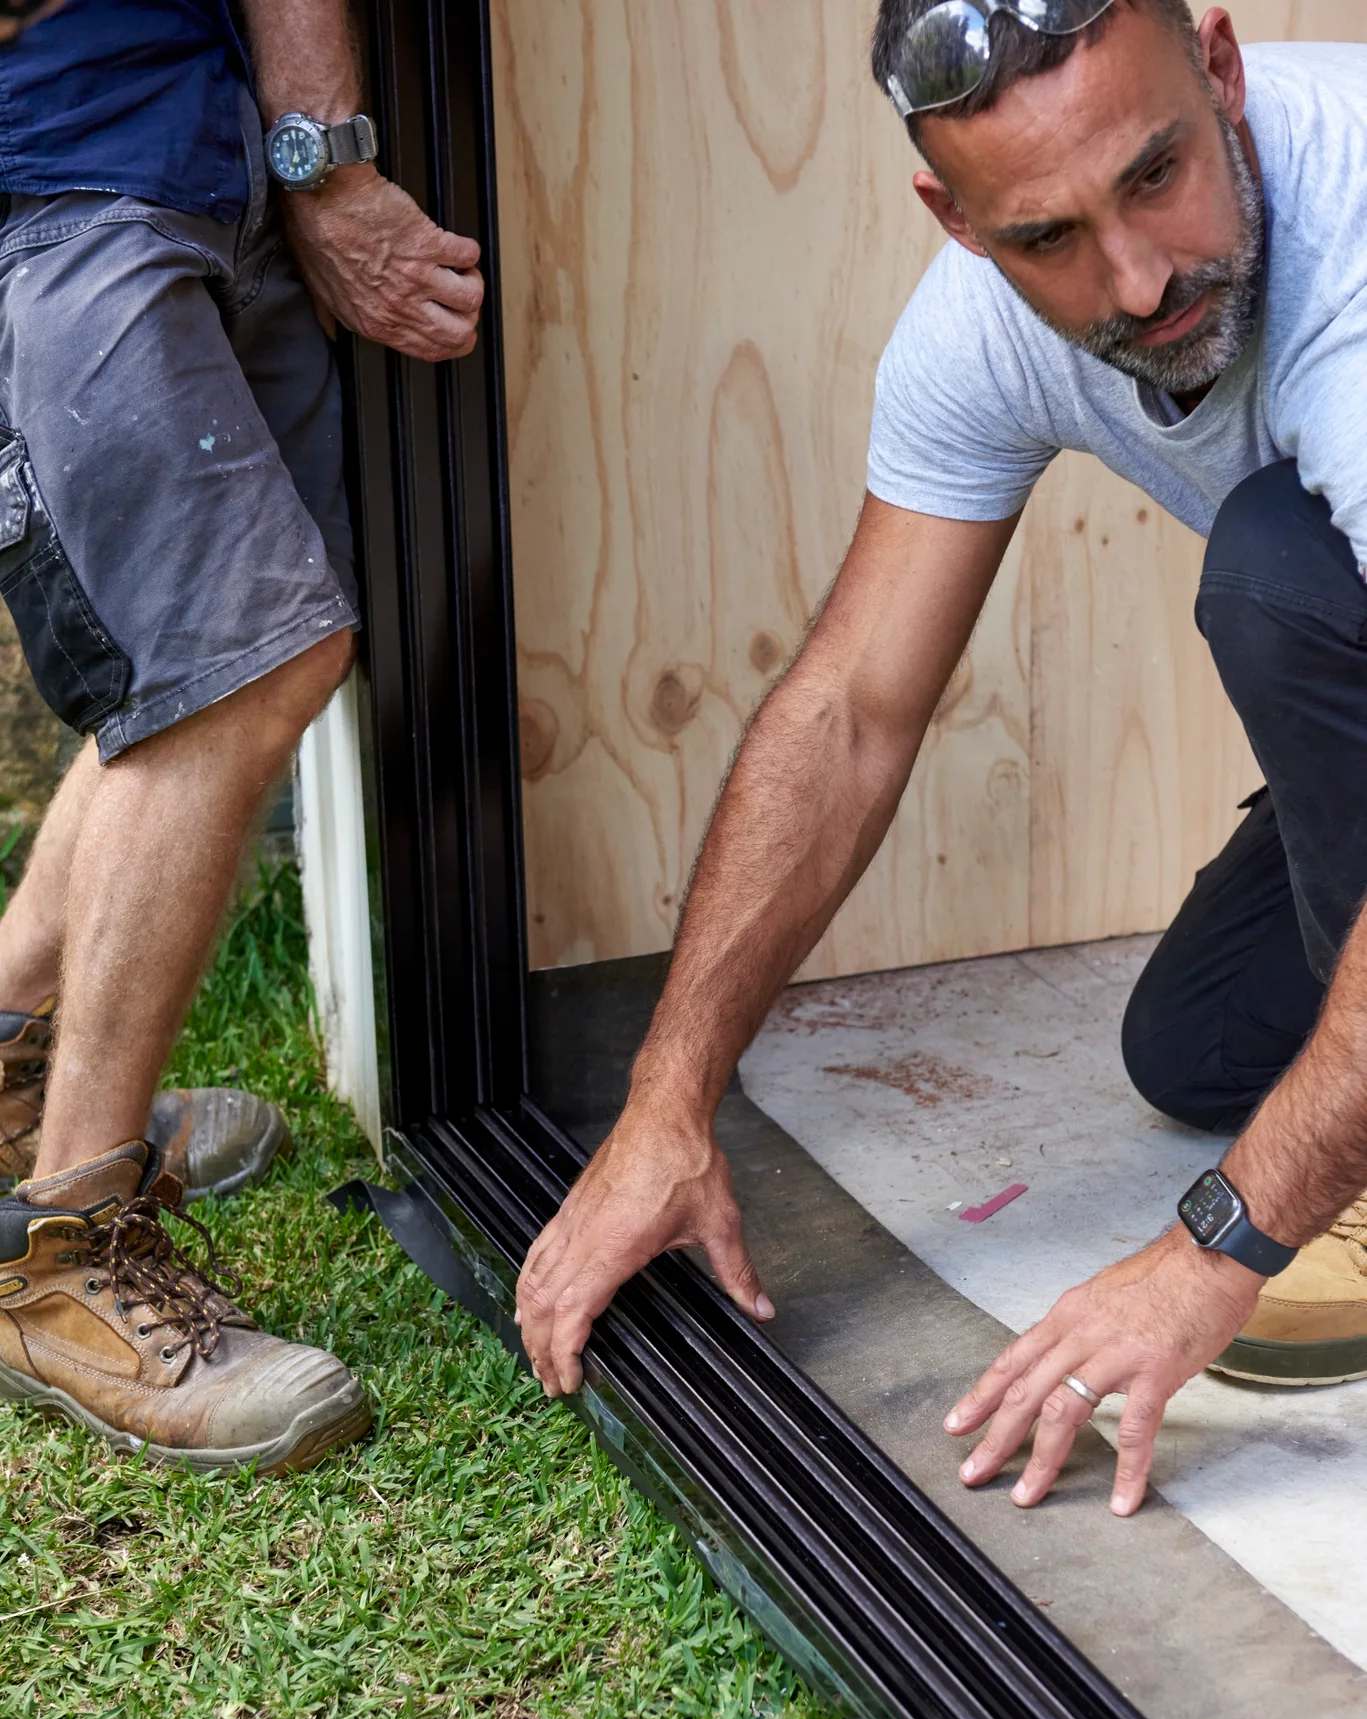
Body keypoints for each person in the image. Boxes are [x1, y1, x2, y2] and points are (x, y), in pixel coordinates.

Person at [516, 0, 1367, 1520]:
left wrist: (1215, 1245)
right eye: (1046, 235)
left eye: (1157, 173)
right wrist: (667, 1099)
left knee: (1275, 571)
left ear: (1222, 68)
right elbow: (848, 708)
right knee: (1201, 1050)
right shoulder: (979, 324)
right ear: (954, 219)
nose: (1139, 277)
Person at [0, 0, 482, 1472]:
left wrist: (297, 159)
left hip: (183, 147)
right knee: (229, 668)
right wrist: (330, 164)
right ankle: (62, 1259)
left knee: (239, 646)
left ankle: (9, 1068)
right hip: (56, 184)